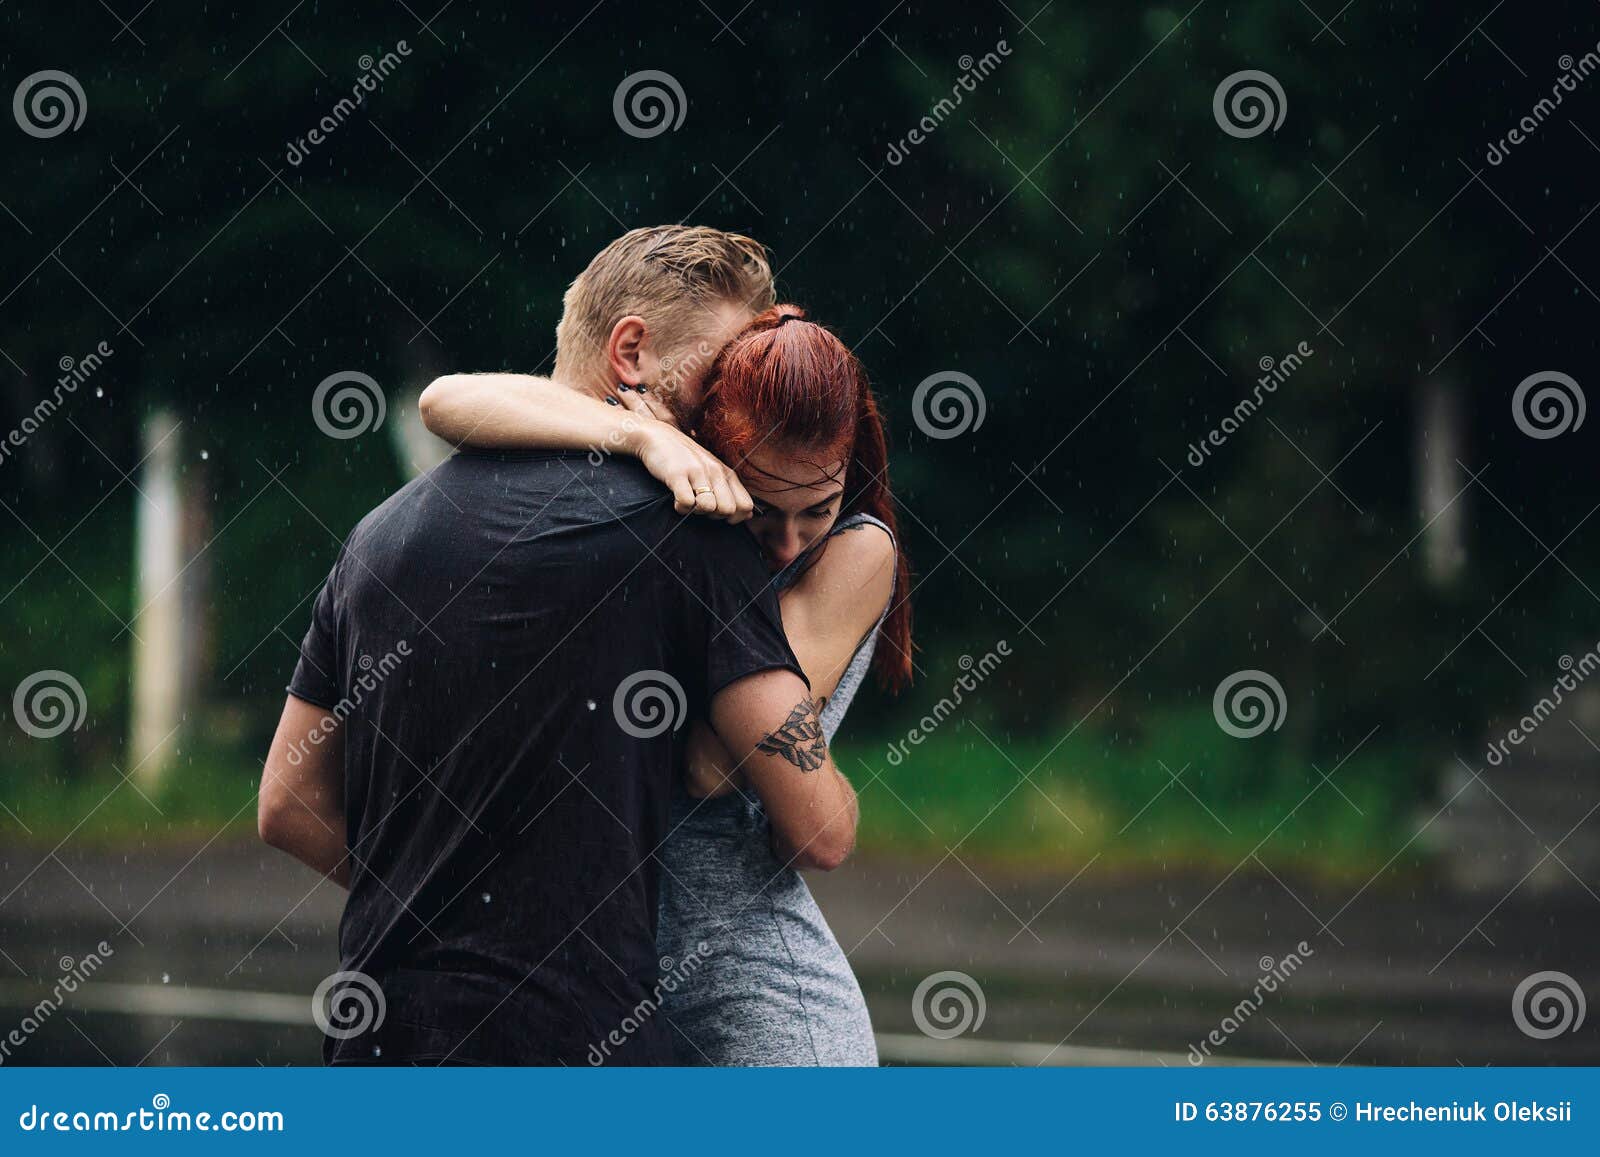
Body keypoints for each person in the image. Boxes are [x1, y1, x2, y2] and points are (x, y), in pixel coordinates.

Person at [257, 226, 861, 1066]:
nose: (738, 407)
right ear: (632, 353)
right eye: (721, 376)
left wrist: (447, 917)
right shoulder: (691, 533)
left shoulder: (379, 536)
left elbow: (287, 803)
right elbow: (816, 827)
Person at [416, 303, 913, 1065]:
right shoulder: (675, 496)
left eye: (817, 507)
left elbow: (711, 767)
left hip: (758, 996)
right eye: (764, 508)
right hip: (620, 983)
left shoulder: (856, 554)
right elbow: (444, 401)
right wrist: (640, 434)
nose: (786, 543)